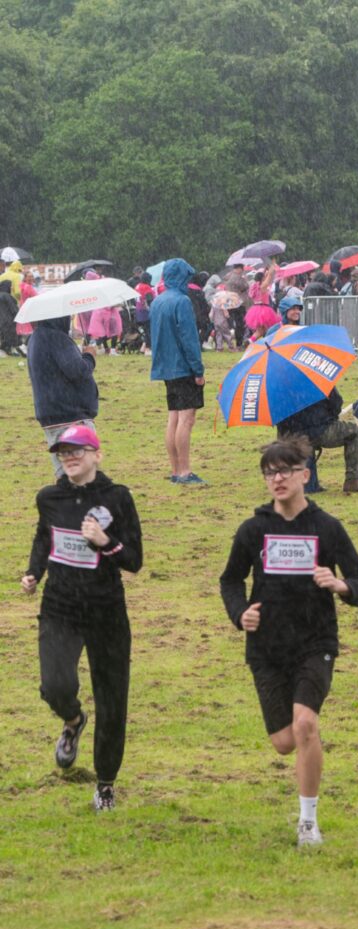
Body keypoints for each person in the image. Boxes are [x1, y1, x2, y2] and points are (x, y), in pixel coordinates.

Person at [218, 437, 358, 847]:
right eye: (270, 472)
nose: (277, 479)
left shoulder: (328, 528)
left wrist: (339, 584)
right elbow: (231, 580)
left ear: (306, 474)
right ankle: (303, 761)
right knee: (284, 742)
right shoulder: (253, 529)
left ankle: (308, 822)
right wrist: (240, 613)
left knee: (306, 724)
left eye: (285, 470)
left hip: (314, 642)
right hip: (266, 648)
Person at [22, 425, 142, 812]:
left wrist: (106, 543)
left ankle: (105, 784)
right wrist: (33, 573)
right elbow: (45, 537)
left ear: (96, 454)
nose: (69, 457)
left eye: (77, 451)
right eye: (63, 452)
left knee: (112, 700)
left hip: (106, 611)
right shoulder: (49, 497)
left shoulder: (117, 498)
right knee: (55, 684)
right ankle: (73, 719)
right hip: (60, 607)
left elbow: (135, 561)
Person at [148, 258, 207, 485]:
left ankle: (175, 470)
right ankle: (185, 471)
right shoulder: (182, 301)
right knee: (186, 419)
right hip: (183, 367)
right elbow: (189, 339)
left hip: (166, 368)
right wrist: (198, 370)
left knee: (173, 417)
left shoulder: (158, 301)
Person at [25, 312, 99, 477]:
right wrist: (89, 356)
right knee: (80, 473)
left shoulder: (37, 337)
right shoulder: (56, 338)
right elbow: (77, 370)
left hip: (52, 413)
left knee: (66, 471)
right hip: (69, 414)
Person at [275, 388, 358, 494]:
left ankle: (308, 485)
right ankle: (353, 481)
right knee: (354, 432)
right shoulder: (315, 378)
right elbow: (336, 404)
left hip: (288, 435)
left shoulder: (276, 388)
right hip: (318, 430)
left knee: (306, 444)